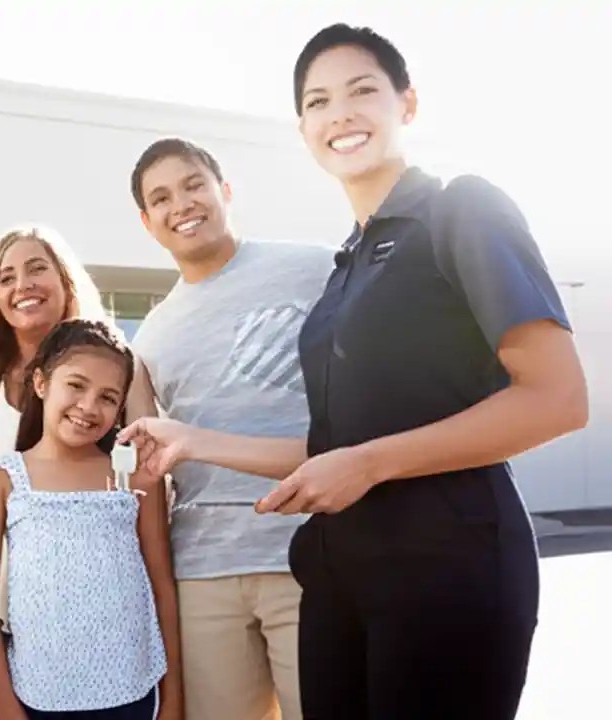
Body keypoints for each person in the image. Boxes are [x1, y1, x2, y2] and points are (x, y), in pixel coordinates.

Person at [121, 24, 589, 720]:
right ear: (304, 128)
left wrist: (368, 464)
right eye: (318, 101)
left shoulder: (462, 208)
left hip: (450, 565)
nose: (339, 112)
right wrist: (193, 441)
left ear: (408, 103)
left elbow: (557, 400)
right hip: (342, 575)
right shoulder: (345, 268)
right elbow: (331, 455)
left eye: (361, 90)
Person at [124, 137, 335, 720]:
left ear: (225, 190)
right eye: (161, 198)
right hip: (205, 571)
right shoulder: (153, 337)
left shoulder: (315, 268)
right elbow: (149, 474)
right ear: (148, 222)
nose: (182, 204)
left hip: (310, 550)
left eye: (193, 184)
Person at [0, 225, 111, 716]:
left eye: (37, 269)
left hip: (82, 622)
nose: (22, 285)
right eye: (7, 277)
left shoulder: (111, 379)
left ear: (66, 281)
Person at [0, 319, 182, 720]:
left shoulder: (138, 477)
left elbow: (161, 587)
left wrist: (173, 701)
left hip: (130, 692)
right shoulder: (1, 477)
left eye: (107, 397)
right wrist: (5, 705)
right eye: (76, 386)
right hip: (37, 694)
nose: (88, 407)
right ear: (42, 383)